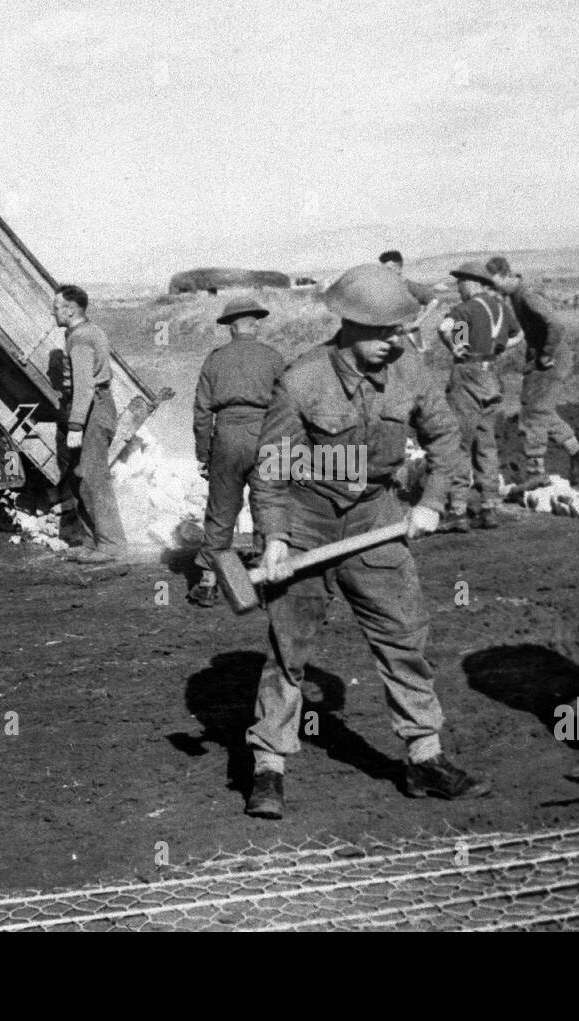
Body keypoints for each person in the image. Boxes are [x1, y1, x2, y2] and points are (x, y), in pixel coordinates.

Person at [244, 262, 491, 819]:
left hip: (377, 519)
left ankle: (424, 759)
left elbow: (447, 437)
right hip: (308, 522)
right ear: (349, 325)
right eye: (381, 332)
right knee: (290, 648)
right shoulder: (302, 379)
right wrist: (276, 539)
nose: (393, 342)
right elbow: (271, 468)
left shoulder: (412, 372)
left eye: (399, 330)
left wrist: (430, 503)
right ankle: (268, 765)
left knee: (405, 638)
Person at [188, 296, 286, 607]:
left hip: (227, 438)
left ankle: (208, 581)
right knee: (266, 504)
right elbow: (287, 407)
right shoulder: (273, 358)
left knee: (221, 510)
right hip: (266, 435)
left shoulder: (214, 360)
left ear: (231, 328)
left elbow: (202, 411)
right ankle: (265, 578)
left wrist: (204, 454)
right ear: (254, 327)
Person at [486, 255, 579, 490]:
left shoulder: (526, 295)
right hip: (539, 360)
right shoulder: (514, 295)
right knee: (538, 410)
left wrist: (546, 354)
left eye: (493, 282)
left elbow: (555, 324)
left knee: (534, 413)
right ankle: (578, 453)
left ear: (505, 275)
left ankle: (536, 472)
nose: (492, 288)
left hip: (550, 360)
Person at [436, 261, 522, 532]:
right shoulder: (499, 307)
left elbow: (444, 328)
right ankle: (489, 507)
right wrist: (496, 348)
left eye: (459, 283)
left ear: (470, 282)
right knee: (486, 444)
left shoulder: (466, 308)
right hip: (492, 374)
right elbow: (518, 335)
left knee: (460, 442)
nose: (458, 289)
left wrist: (455, 346)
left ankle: (458, 510)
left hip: (468, 376)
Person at [51, 284, 127, 564]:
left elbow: (83, 388)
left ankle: (111, 545)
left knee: (94, 479)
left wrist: (75, 426)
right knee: (82, 477)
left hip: (92, 409)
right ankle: (91, 542)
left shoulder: (81, 338)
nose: (52, 312)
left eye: (56, 306)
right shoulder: (86, 332)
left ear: (70, 310)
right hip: (95, 407)